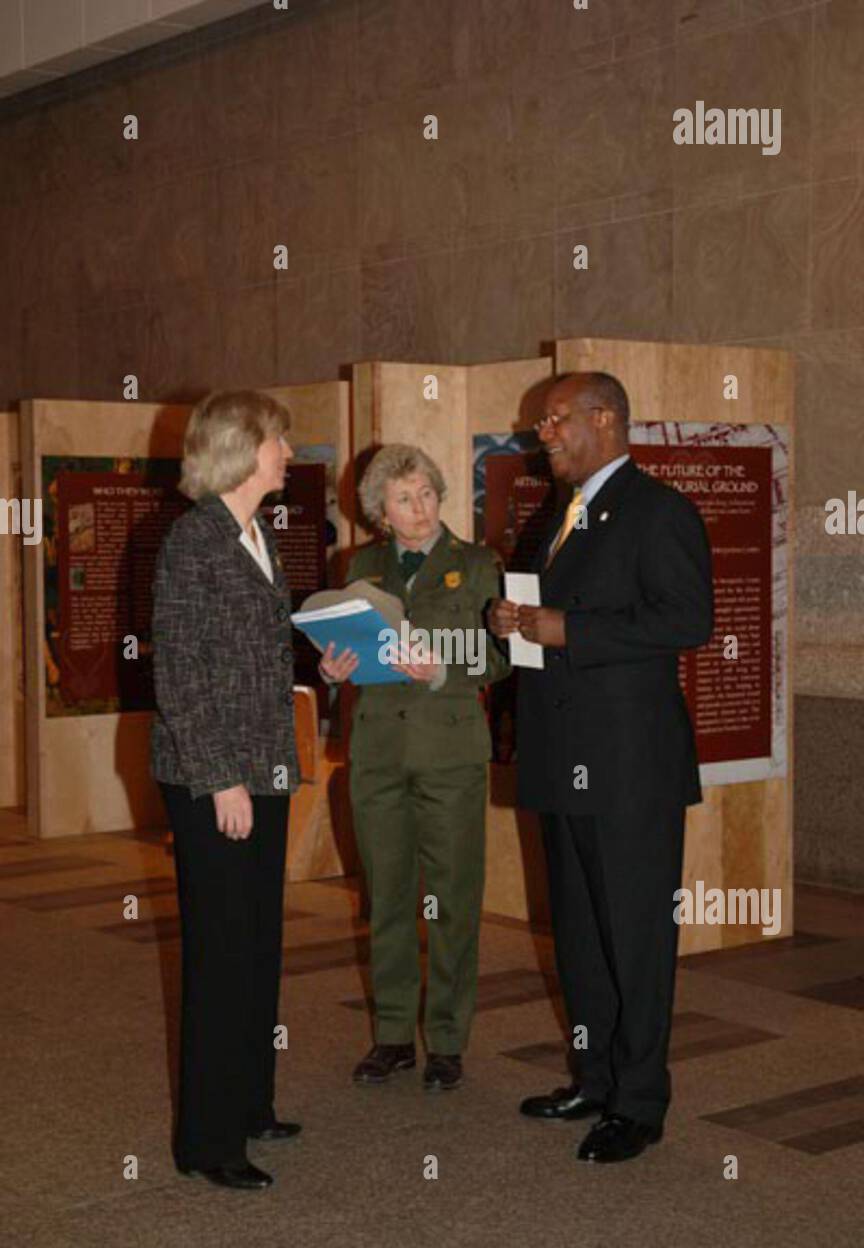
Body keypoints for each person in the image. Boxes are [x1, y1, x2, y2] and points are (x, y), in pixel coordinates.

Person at [489, 372, 713, 1163]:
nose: (542, 434)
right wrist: (509, 619)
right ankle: (593, 1076)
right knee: (580, 934)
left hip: (628, 769)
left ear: (606, 419)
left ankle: (641, 1099)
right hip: (561, 762)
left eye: (553, 420)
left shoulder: (661, 512)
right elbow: (541, 622)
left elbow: (687, 619)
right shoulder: (556, 516)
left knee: (636, 937)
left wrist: (566, 628)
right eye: (541, 423)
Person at [150, 390, 302, 1192]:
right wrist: (220, 780)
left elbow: (252, 655)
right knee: (219, 952)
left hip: (266, 768)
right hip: (216, 778)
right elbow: (180, 672)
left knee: (258, 943)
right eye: (280, 439)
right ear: (244, 447)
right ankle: (207, 1141)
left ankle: (250, 1102)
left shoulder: (255, 535)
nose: (289, 452)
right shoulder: (195, 539)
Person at [321, 444, 510, 1090]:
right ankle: (394, 1035)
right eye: (405, 498)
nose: (421, 507)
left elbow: (500, 658)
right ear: (380, 510)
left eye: (427, 492)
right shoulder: (360, 565)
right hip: (376, 755)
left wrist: (444, 669)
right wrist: (330, 669)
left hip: (451, 755)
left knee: (453, 901)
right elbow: (344, 646)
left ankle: (449, 1041)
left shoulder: (477, 563)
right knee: (388, 899)